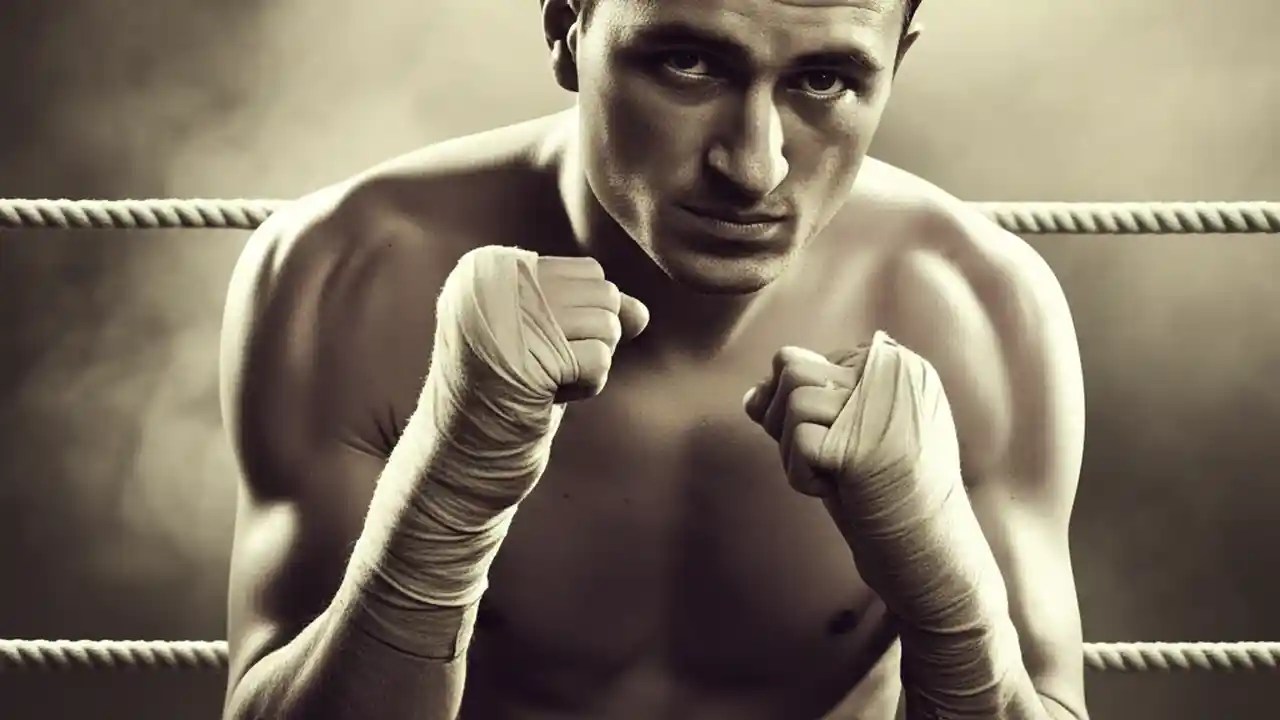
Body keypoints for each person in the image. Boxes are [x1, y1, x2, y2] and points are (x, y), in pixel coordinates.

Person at [217, 0, 1090, 718]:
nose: (754, 165)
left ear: (898, 60)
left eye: (825, 80)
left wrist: (944, 589)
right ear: (567, 27)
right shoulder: (351, 271)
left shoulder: (976, 303)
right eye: (689, 65)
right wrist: (451, 484)